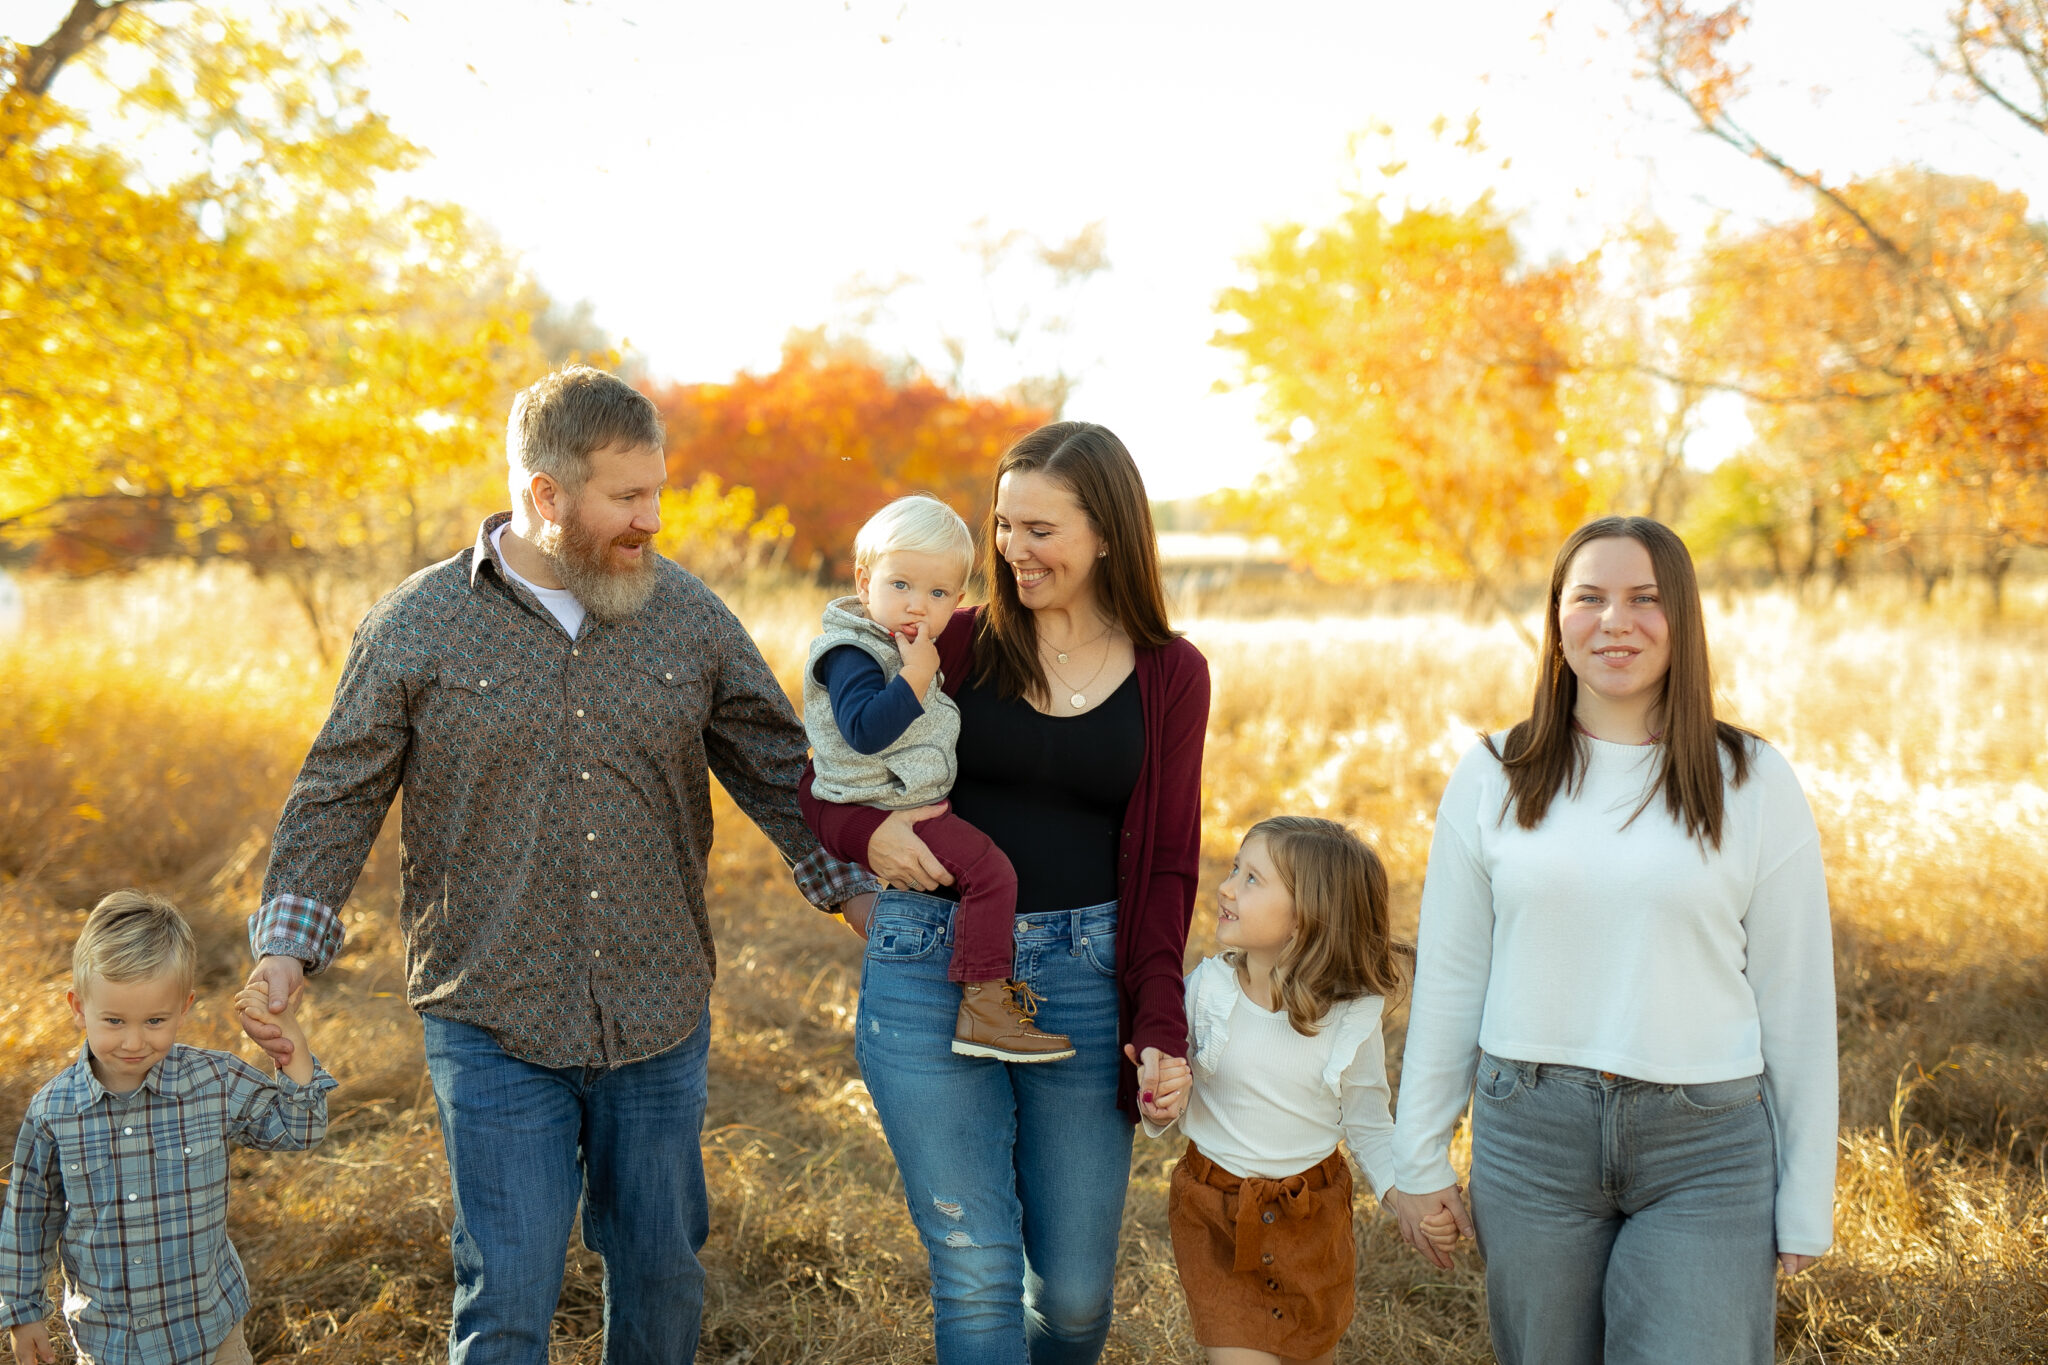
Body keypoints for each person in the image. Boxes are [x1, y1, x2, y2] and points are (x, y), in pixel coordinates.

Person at [236, 366, 876, 1365]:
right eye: (627, 496)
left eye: (655, 491)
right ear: (546, 496)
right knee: (507, 1300)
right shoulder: (417, 625)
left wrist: (858, 895)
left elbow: (777, 764)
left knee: (662, 1281)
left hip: (657, 1012)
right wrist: (289, 945)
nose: (651, 519)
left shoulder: (689, 618)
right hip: (492, 1017)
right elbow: (338, 790)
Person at [801, 420, 1209, 1364]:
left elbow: (1171, 863)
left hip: (1084, 977)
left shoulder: (1170, 673)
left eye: (1040, 529)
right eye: (1003, 526)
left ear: (1106, 530)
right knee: (977, 1267)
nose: (1012, 551)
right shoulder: (948, 641)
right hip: (929, 964)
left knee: (1070, 1299)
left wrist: (1162, 1019)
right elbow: (818, 782)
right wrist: (873, 838)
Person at [1388, 516, 1838, 1365]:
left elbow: (1797, 998)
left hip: (1705, 1146)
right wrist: (1420, 1157)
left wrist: (1806, 1188)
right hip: (1531, 1136)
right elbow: (1452, 978)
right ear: (1557, 619)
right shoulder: (1495, 772)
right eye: (1588, 597)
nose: (1615, 620)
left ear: (1684, 620)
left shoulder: (1752, 779)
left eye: (1645, 598)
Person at [1136, 817, 1454, 1365]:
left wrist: (1403, 1195)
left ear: (1308, 917)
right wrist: (1161, 1099)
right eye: (1235, 868)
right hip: (1218, 1215)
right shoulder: (1206, 993)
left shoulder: (1351, 1019)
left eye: (1252, 878)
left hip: (1312, 1219)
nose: (1227, 886)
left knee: (1309, 1354)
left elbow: (1369, 1123)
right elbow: (1166, 1094)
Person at [1, 891, 333, 1365]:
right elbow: (27, 1219)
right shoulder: (54, 1111)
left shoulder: (212, 1081)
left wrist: (290, 1047)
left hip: (211, 1333)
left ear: (184, 1007)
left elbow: (300, 1129)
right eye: (113, 1020)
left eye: (155, 1020)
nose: (134, 1041)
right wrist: (22, 1311)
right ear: (78, 1007)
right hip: (110, 1345)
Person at [802, 493, 1072, 1062]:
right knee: (991, 873)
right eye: (900, 585)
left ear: (960, 598)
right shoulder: (854, 652)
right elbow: (864, 731)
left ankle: (982, 996)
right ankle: (985, 1005)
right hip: (890, 807)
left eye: (937, 593)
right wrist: (918, 678)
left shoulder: (907, 644)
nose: (916, 606)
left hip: (906, 799)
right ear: (863, 577)